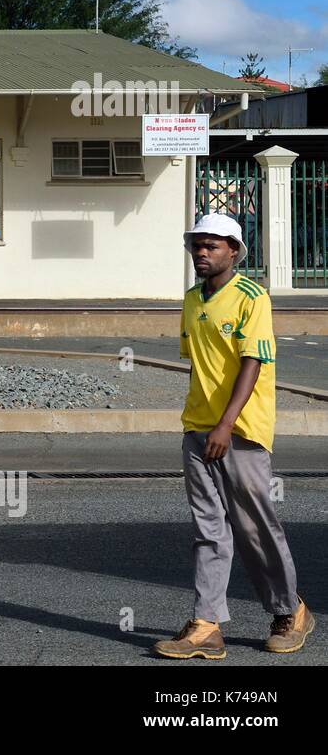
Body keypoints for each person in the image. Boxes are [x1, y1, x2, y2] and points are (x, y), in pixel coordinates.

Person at [153, 213, 314, 659]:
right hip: (198, 429)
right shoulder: (191, 299)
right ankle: (207, 625)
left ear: (235, 251)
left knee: (253, 525)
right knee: (208, 529)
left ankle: (289, 611)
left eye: (213, 246)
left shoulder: (251, 296)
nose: (202, 253)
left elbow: (252, 361)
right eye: (197, 245)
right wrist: (201, 423)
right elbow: (199, 362)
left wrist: (225, 424)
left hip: (241, 429)